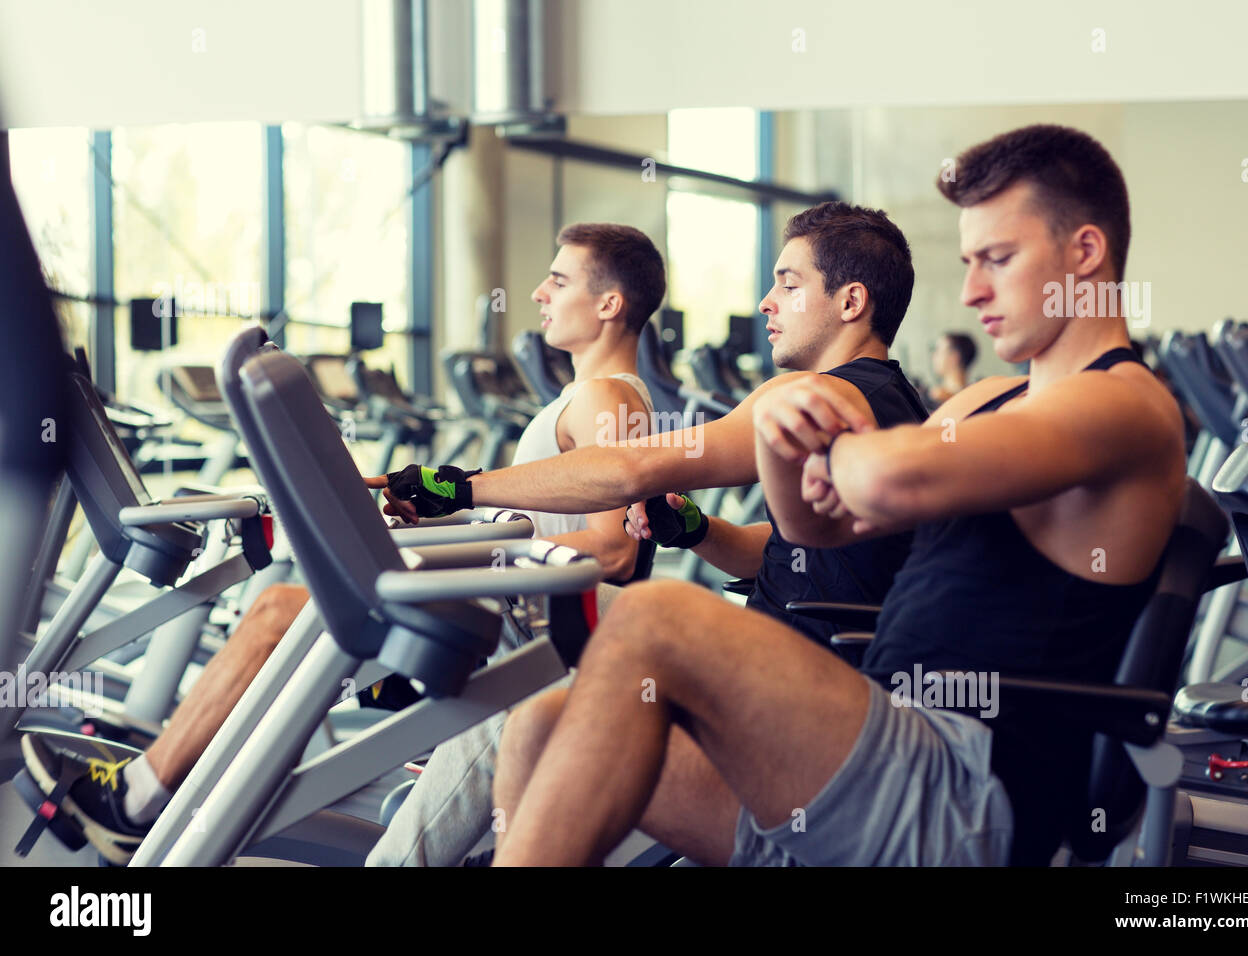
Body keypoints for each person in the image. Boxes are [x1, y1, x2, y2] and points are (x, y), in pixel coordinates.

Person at [487, 123, 1187, 868]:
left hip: (965, 791)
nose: (973, 290)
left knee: (659, 615)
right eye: (968, 262)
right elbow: (815, 528)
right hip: (876, 744)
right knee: (542, 726)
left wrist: (819, 437)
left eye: (999, 259)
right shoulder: (983, 399)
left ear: (1084, 253)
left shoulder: (1125, 406)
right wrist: (785, 446)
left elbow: (886, 477)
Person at [19, 222, 664, 865]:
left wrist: (473, 546)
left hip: (531, 630)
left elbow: (613, 552)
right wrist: (439, 521)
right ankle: (172, 794)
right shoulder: (584, 397)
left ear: (609, 304)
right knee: (288, 616)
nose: (537, 293)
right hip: (508, 605)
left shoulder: (609, 398)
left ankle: (141, 802)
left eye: (558, 279)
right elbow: (536, 518)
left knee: (282, 616)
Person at [369, 200, 928, 865]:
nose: (764, 302)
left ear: (851, 300)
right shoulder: (875, 396)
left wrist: (462, 488)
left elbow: (629, 467)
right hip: (790, 670)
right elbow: (790, 553)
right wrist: (694, 527)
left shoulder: (823, 396)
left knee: (522, 692)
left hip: (800, 696)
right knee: (532, 701)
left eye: (788, 282)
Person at [927, 330, 978, 408]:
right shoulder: (977, 395)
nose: (933, 356)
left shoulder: (937, 398)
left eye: (938, 350)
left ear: (954, 356)